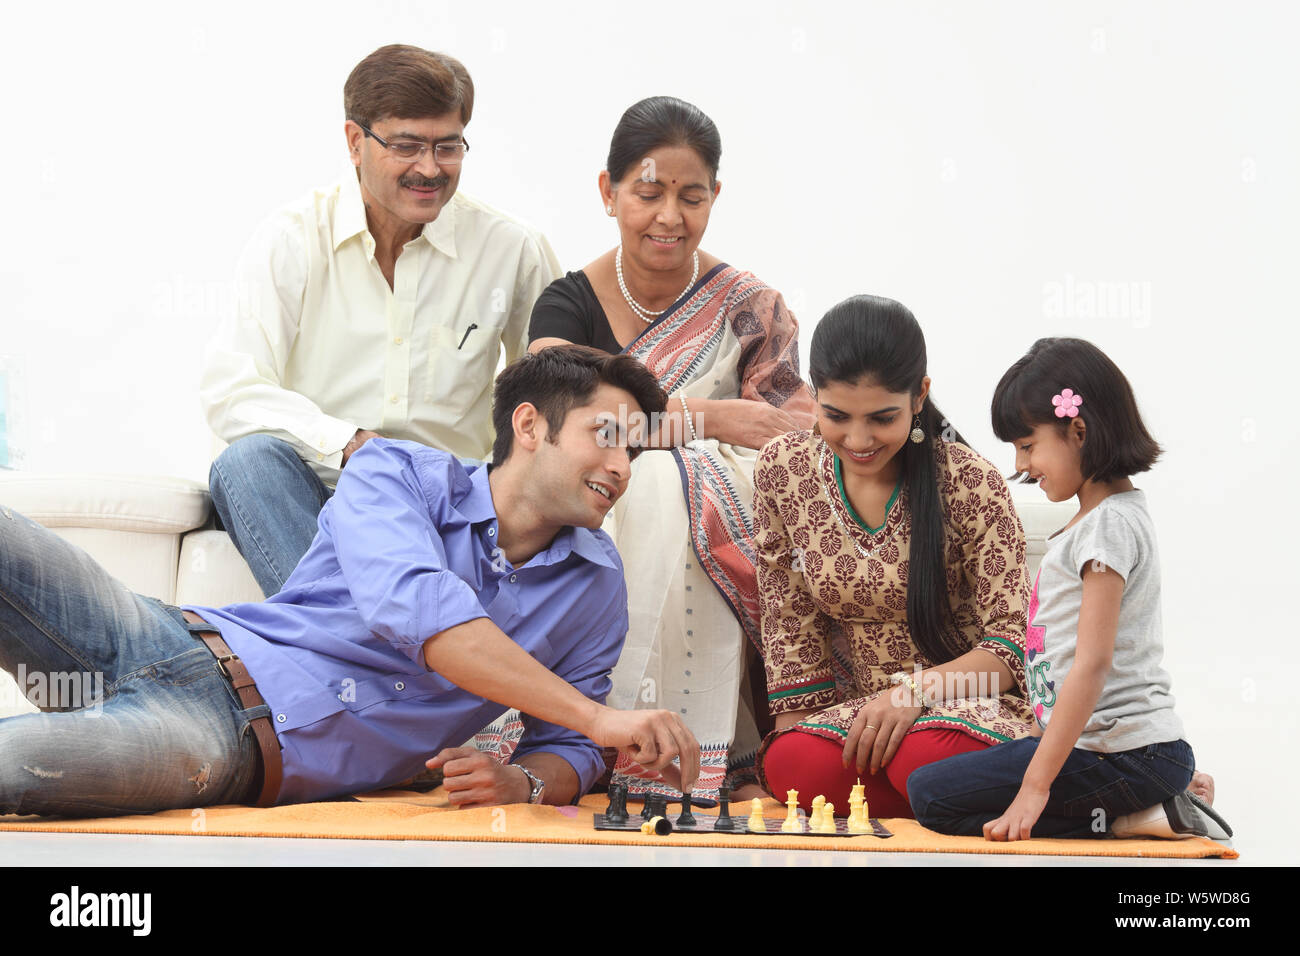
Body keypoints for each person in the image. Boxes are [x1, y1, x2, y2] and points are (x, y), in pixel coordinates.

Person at [0, 346, 699, 817]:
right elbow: (426, 616)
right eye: (605, 436)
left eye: (633, 448)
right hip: (167, 633)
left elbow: (572, 748)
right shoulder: (393, 474)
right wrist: (602, 719)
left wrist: (526, 780)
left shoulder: (594, 584)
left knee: (12, 767)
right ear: (529, 426)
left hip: (222, 745)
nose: (623, 466)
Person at [526, 96, 816, 798]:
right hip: (595, 501)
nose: (669, 217)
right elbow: (578, 429)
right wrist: (708, 420)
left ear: (715, 196)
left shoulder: (751, 307)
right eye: (648, 193)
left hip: (718, 513)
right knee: (656, 480)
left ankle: (696, 757)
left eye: (691, 197)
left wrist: (680, 449)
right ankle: (618, 739)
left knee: (674, 482)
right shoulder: (565, 305)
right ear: (609, 192)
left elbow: (790, 439)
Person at [201, 44, 560, 597]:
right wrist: (352, 445)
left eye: (448, 146)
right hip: (322, 493)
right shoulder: (292, 238)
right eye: (407, 145)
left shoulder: (513, 249)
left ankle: (338, 651)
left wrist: (502, 488)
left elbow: (555, 394)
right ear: (354, 141)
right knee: (246, 463)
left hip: (447, 505)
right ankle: (364, 643)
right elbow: (232, 390)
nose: (430, 168)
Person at [907, 338, 1226, 840]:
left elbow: (1092, 663)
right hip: (1123, 754)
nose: (1022, 464)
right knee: (936, 785)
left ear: (1078, 430)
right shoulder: (1097, 522)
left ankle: (1135, 816)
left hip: (1124, 756)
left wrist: (1034, 787)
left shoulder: (1106, 528)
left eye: (1028, 445)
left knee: (930, 795)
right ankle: (1155, 805)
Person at [752, 296, 1035, 819]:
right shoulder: (783, 470)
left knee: (926, 760)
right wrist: (797, 752)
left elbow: (1011, 647)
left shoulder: (972, 484)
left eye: (882, 418)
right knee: (789, 765)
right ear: (813, 395)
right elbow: (790, 624)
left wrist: (913, 695)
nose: (858, 440)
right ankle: (952, 801)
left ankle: (954, 788)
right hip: (865, 727)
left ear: (919, 395)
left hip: (967, 714)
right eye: (836, 415)